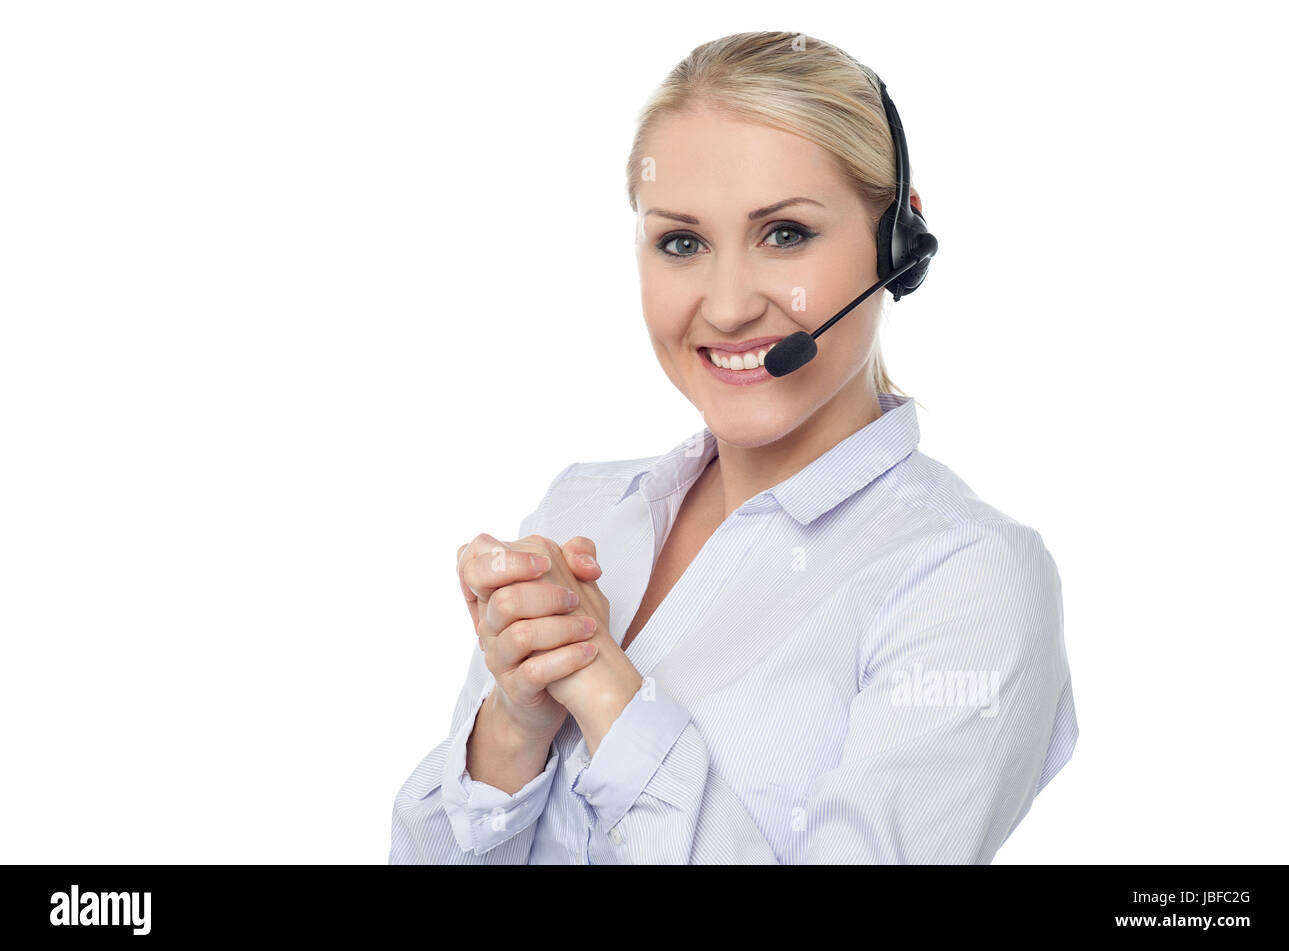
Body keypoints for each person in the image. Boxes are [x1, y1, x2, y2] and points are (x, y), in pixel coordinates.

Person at [389, 30, 1078, 864]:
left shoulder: (969, 578)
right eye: (682, 242)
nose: (725, 307)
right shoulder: (579, 512)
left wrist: (608, 696)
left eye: (785, 234)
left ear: (899, 245)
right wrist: (513, 724)